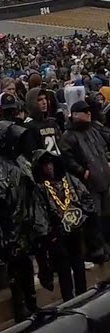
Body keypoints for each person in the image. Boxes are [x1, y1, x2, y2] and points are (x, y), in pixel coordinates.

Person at [0, 120, 48, 323]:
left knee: (26, 264)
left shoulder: (19, 159)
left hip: (25, 221)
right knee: (15, 267)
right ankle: (20, 306)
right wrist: (9, 196)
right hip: (8, 224)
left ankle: (32, 301)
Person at [32, 150, 93, 302]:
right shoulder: (40, 189)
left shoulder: (70, 181)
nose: (49, 168)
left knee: (79, 266)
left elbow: (86, 199)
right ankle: (69, 301)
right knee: (64, 270)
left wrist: (81, 216)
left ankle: (83, 297)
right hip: (57, 235)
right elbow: (39, 215)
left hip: (74, 230)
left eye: (51, 163)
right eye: (45, 165)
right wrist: (50, 234)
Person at [59, 100, 110, 259]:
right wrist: (82, 171)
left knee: (106, 216)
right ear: (74, 114)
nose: (88, 113)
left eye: (89, 111)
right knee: (93, 216)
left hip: (103, 179)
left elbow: (104, 149)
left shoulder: (93, 131)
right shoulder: (69, 136)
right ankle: (95, 249)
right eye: (84, 111)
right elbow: (66, 158)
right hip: (88, 184)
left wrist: (108, 161)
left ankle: (105, 246)